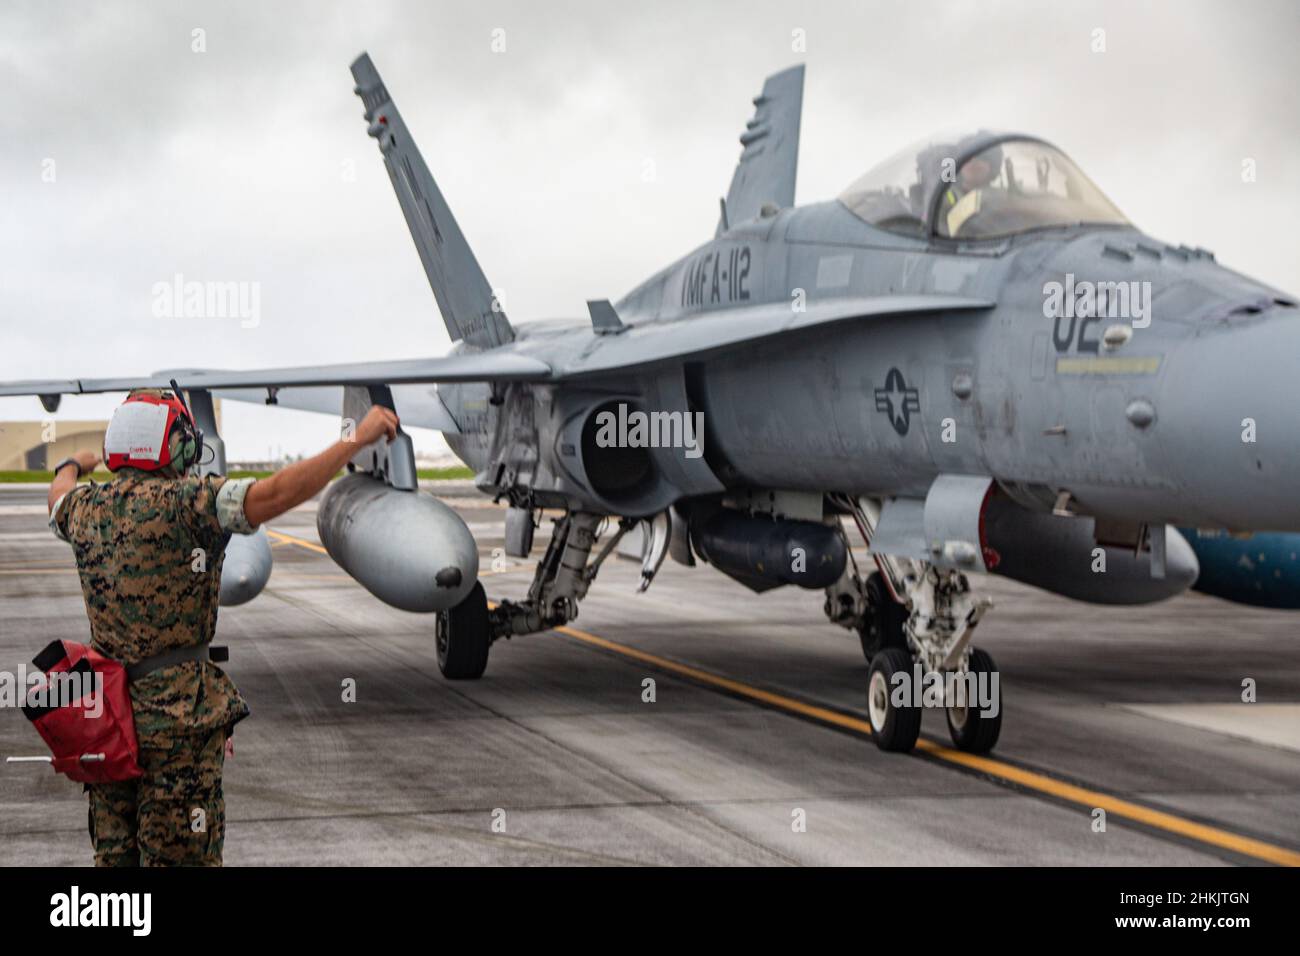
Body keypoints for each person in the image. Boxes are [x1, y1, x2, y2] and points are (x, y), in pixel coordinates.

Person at [47, 388, 399, 866]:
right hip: (178, 723)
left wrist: (74, 461)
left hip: (106, 723)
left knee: (114, 862)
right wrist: (354, 440)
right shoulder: (191, 504)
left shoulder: (85, 510)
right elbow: (275, 494)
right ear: (175, 448)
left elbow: (60, 492)